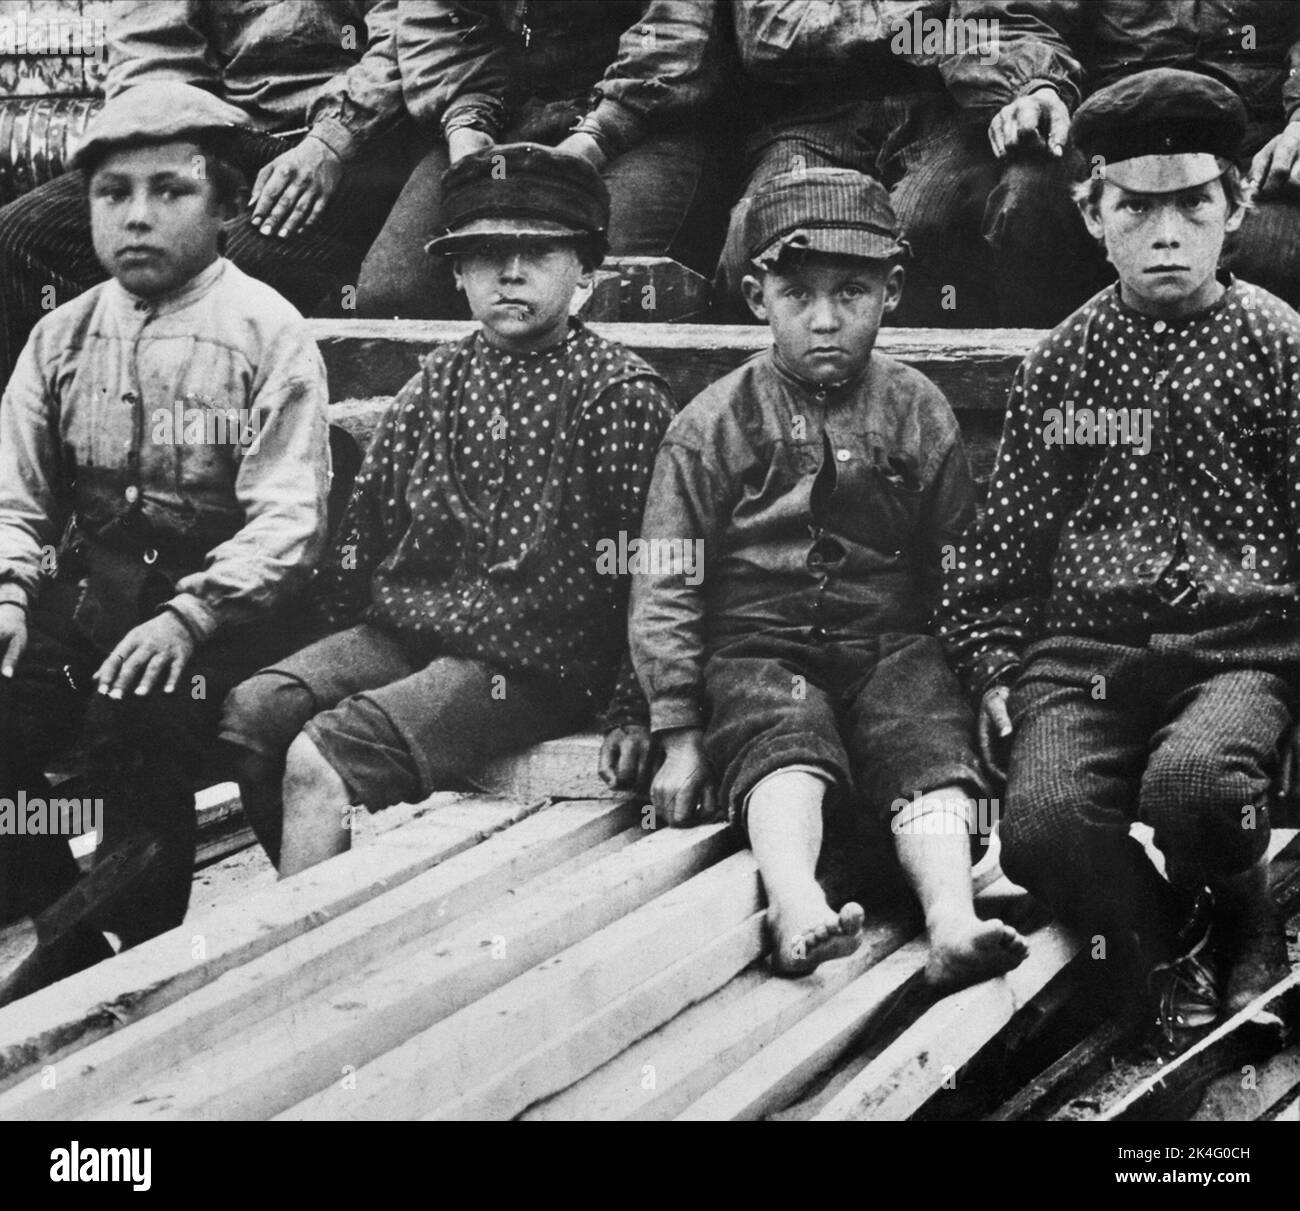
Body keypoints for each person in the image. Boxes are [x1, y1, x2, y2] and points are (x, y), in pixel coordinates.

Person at [939, 69, 1298, 1038]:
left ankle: (1244, 908)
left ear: (1236, 205)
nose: (1166, 232)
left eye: (1192, 202)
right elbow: (1004, 536)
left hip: (1239, 645)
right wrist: (989, 662)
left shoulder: (1279, 348)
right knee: (1039, 826)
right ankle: (1161, 932)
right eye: (1135, 207)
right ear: (1093, 214)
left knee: (1195, 787)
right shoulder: (1061, 361)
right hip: (1088, 656)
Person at [221, 143, 675, 876]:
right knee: (255, 714)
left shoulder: (616, 396)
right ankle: (312, 902)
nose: (512, 272)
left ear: (586, 270)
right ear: (458, 272)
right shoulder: (438, 382)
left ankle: (310, 960)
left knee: (320, 757)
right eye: (486, 255)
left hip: (531, 660)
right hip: (408, 630)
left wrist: (634, 705)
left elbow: (652, 571)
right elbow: (361, 534)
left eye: (539, 253)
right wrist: (336, 654)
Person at [630, 167, 1028, 983]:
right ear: (754, 296)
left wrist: (984, 672)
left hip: (891, 641)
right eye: (797, 293)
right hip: (761, 647)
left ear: (894, 292)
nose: (824, 319)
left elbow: (958, 562)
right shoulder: (711, 424)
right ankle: (796, 902)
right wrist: (676, 730)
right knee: (783, 744)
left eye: (852, 291)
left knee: (926, 739)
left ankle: (951, 914)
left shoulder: (917, 409)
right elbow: (666, 582)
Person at [0, 83, 331, 1005]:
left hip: (236, 615)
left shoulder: (267, 331)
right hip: (99, 602)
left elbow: (288, 519)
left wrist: (189, 619)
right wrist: (10, 595)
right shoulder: (60, 337)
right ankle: (64, 933)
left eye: (170, 191)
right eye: (113, 193)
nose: (137, 216)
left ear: (226, 207)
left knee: (139, 717)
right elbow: (14, 494)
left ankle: (143, 958)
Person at [0, 0, 411, 386]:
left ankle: (185, 436)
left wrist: (333, 139)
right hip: (220, 139)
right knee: (22, 238)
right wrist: (183, 151)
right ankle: (72, 429)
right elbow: (153, 50)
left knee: (219, 271)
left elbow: (402, 34)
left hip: (349, 143)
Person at [355, 0, 725, 320]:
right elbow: (442, 28)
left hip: (646, 116)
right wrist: (469, 128)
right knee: (397, 295)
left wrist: (597, 136)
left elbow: (674, 28)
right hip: (509, 113)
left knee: (591, 291)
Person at [941, 0, 1300, 321]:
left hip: (1257, 131)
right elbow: (1004, 19)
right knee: (1033, 201)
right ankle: (1050, 375)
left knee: (1272, 244)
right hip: (1104, 118)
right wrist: (1036, 87)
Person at [711, 0, 1001, 326]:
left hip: (951, 102)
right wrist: (921, 17)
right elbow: (772, 33)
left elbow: (992, 28)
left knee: (921, 229)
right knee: (752, 244)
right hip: (820, 109)